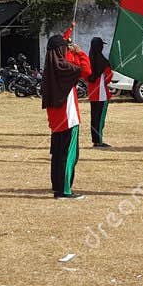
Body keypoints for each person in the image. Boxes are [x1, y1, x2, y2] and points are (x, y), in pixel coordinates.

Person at [42, 34, 93, 199]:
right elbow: (86, 71)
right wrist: (80, 53)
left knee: (57, 153)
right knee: (69, 154)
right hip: (68, 116)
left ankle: (57, 185)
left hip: (56, 117)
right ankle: (64, 190)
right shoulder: (65, 67)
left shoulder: (51, 66)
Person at [85, 37, 115, 148]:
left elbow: (85, 75)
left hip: (92, 93)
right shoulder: (103, 61)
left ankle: (95, 140)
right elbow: (108, 77)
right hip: (102, 94)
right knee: (100, 119)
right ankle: (99, 141)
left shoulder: (88, 60)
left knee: (94, 118)